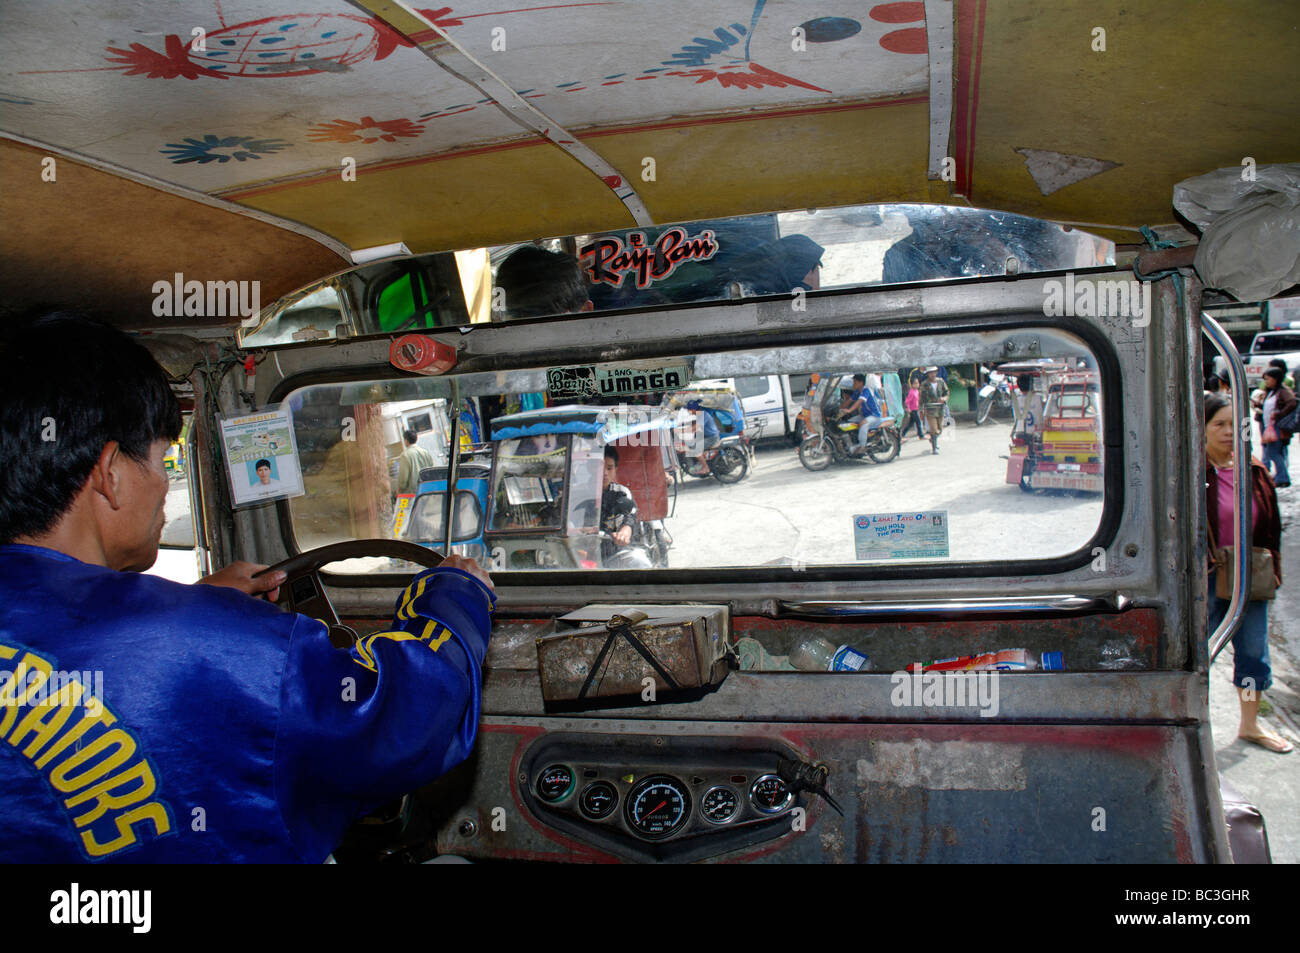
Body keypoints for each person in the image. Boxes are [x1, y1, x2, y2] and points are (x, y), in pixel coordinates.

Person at [0, 313, 498, 861]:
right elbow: (407, 718)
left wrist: (198, 607)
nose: (168, 483)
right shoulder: (216, 644)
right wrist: (455, 593)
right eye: (163, 458)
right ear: (111, 472)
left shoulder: (194, 629)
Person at [1203, 391, 1292, 754]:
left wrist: (1273, 569)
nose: (1228, 432)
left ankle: (1250, 724)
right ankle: (1193, 727)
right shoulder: (1191, 474)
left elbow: (1272, 528)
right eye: (1219, 424)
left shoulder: (1253, 470)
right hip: (1205, 578)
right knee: (1194, 655)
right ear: (1201, 428)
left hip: (1249, 575)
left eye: (1234, 424)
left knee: (1254, 653)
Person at [1258, 367, 1296, 489]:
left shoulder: (1282, 392)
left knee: (1274, 452)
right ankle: (1281, 476)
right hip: (1270, 426)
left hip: (1277, 427)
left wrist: (1279, 414)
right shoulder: (1272, 392)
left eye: (1268, 379)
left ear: (1276, 379)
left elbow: (1292, 402)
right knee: (1274, 452)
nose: (1266, 381)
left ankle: (1282, 477)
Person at [599, 447, 639, 560]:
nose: (604, 473)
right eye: (599, 467)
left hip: (615, 551)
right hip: (583, 551)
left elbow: (630, 515)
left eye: (609, 468)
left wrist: (626, 529)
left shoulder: (621, 492)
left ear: (616, 469)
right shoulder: (578, 494)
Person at [839, 373, 885, 455]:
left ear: (861, 383)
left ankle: (862, 446)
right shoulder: (857, 392)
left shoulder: (866, 390)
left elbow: (859, 401)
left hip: (875, 415)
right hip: (866, 415)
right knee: (849, 423)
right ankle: (853, 442)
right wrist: (839, 409)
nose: (853, 384)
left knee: (863, 423)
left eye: (855, 382)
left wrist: (849, 410)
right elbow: (849, 401)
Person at [395, 429, 435, 496]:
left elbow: (403, 479)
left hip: (412, 494)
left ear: (406, 440)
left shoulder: (405, 455)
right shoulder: (425, 452)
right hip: (427, 490)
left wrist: (399, 489)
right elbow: (432, 468)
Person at [920, 367, 949, 454]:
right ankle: (934, 448)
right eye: (930, 373)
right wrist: (921, 409)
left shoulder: (940, 381)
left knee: (939, 429)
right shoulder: (925, 384)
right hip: (930, 410)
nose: (932, 374)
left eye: (934, 372)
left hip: (940, 409)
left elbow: (947, 392)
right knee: (933, 428)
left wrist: (944, 398)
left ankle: (933, 439)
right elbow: (921, 398)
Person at [686, 399, 720, 470]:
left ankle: (705, 467)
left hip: (712, 438)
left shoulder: (702, 415)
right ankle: (699, 462)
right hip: (707, 436)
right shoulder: (698, 415)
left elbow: (696, 427)